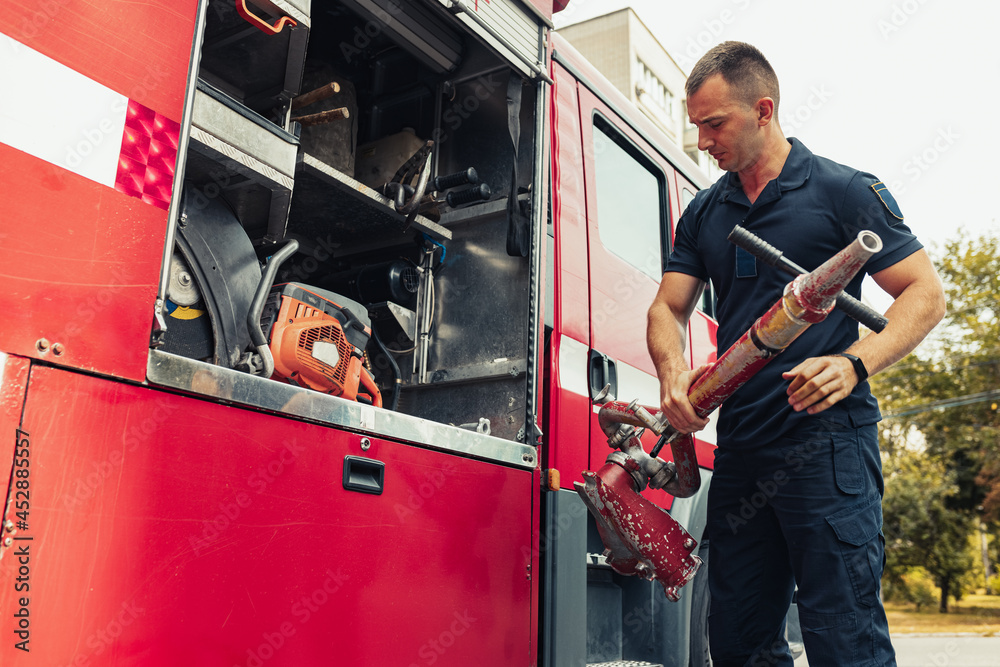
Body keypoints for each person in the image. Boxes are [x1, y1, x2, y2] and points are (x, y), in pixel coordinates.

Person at [647, 42, 945, 666]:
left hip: (826, 444)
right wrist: (673, 373)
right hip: (742, 450)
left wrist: (854, 363)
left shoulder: (844, 191)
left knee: (845, 640)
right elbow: (667, 308)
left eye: (714, 123)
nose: (703, 141)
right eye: (697, 125)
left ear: (763, 110)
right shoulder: (704, 212)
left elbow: (924, 293)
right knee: (739, 644)